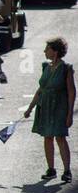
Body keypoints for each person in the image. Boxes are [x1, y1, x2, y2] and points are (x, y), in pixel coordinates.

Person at [24, 37, 75, 183]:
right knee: (47, 137)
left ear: (55, 51)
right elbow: (41, 89)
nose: (44, 51)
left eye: (47, 49)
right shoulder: (46, 67)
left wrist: (70, 113)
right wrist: (30, 108)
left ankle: (67, 171)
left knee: (60, 137)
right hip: (45, 107)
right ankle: (51, 169)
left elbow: (72, 92)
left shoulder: (66, 68)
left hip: (59, 107)